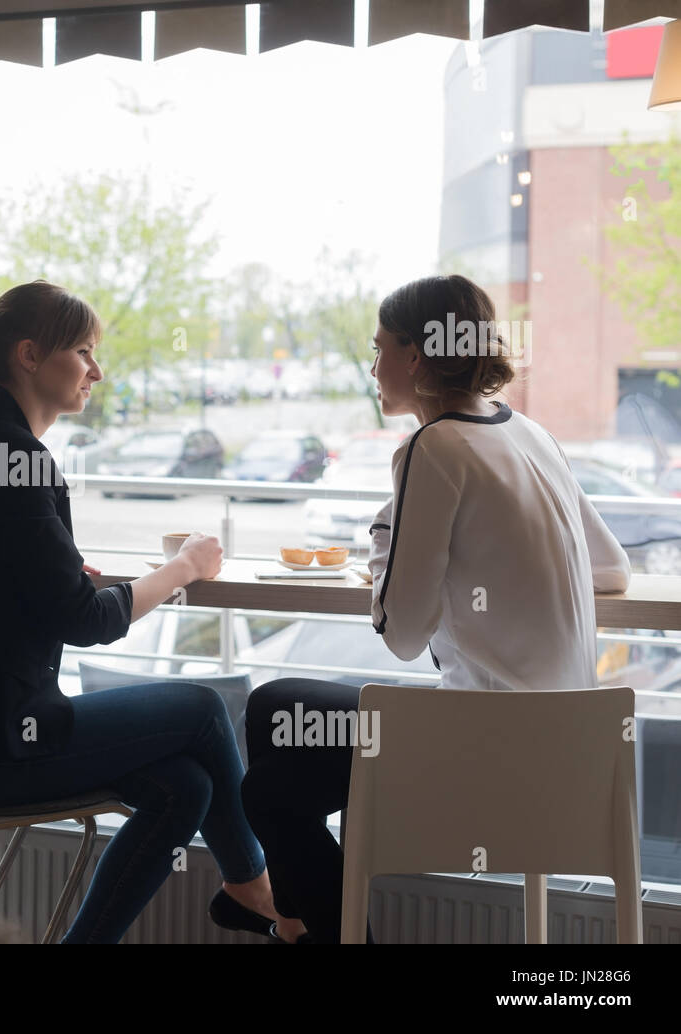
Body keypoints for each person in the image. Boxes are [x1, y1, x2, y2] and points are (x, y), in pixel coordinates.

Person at [240, 274, 632, 944]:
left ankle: (297, 919)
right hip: (570, 758)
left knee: (274, 716)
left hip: (483, 756)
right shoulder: (529, 434)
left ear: (415, 356)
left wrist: (385, 539)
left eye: (379, 348)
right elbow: (613, 569)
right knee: (278, 774)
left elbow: (399, 631)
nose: (372, 366)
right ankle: (294, 922)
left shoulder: (434, 445)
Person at [0, 279, 280, 943]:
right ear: (29, 356)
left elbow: (12, 585)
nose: (96, 371)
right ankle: (255, 887)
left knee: (185, 787)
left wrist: (62, 577)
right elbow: (89, 622)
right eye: (83, 351)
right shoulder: (14, 458)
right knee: (204, 710)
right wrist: (186, 566)